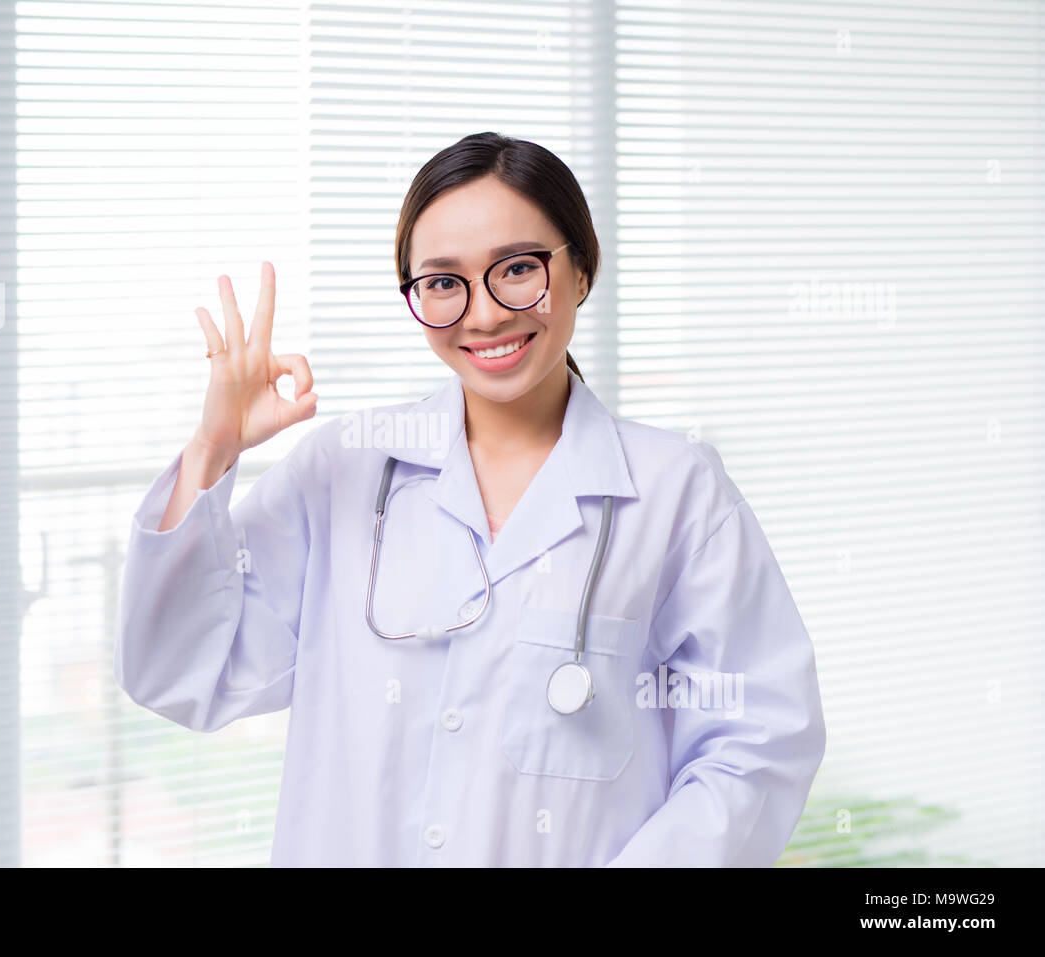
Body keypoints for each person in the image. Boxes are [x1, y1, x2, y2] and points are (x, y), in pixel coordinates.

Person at [114, 131, 827, 866]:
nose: (483, 314)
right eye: (444, 282)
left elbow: (758, 739)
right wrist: (214, 447)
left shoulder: (677, 492)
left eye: (518, 269)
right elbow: (182, 671)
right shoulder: (345, 470)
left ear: (581, 270)